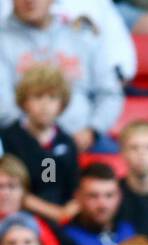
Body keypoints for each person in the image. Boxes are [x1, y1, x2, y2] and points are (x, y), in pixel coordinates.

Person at [0, 0, 123, 152]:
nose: (29, 1)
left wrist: (93, 130)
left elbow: (110, 92)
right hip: (22, 140)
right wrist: (28, 134)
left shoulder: (80, 35)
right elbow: (3, 103)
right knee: (33, 170)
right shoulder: (2, 40)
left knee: (125, 161)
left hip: (84, 138)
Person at [2, 64, 78, 224]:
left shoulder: (67, 142)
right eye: (37, 97)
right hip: (18, 218)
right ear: (24, 101)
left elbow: (74, 188)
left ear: (62, 104)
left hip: (63, 219)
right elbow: (7, 187)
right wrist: (54, 213)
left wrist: (71, 208)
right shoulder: (8, 138)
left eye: (52, 98)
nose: (45, 105)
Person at [60, 165, 135, 245]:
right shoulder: (67, 238)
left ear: (119, 196)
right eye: (93, 196)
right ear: (78, 197)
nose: (102, 204)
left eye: (109, 195)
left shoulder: (128, 229)